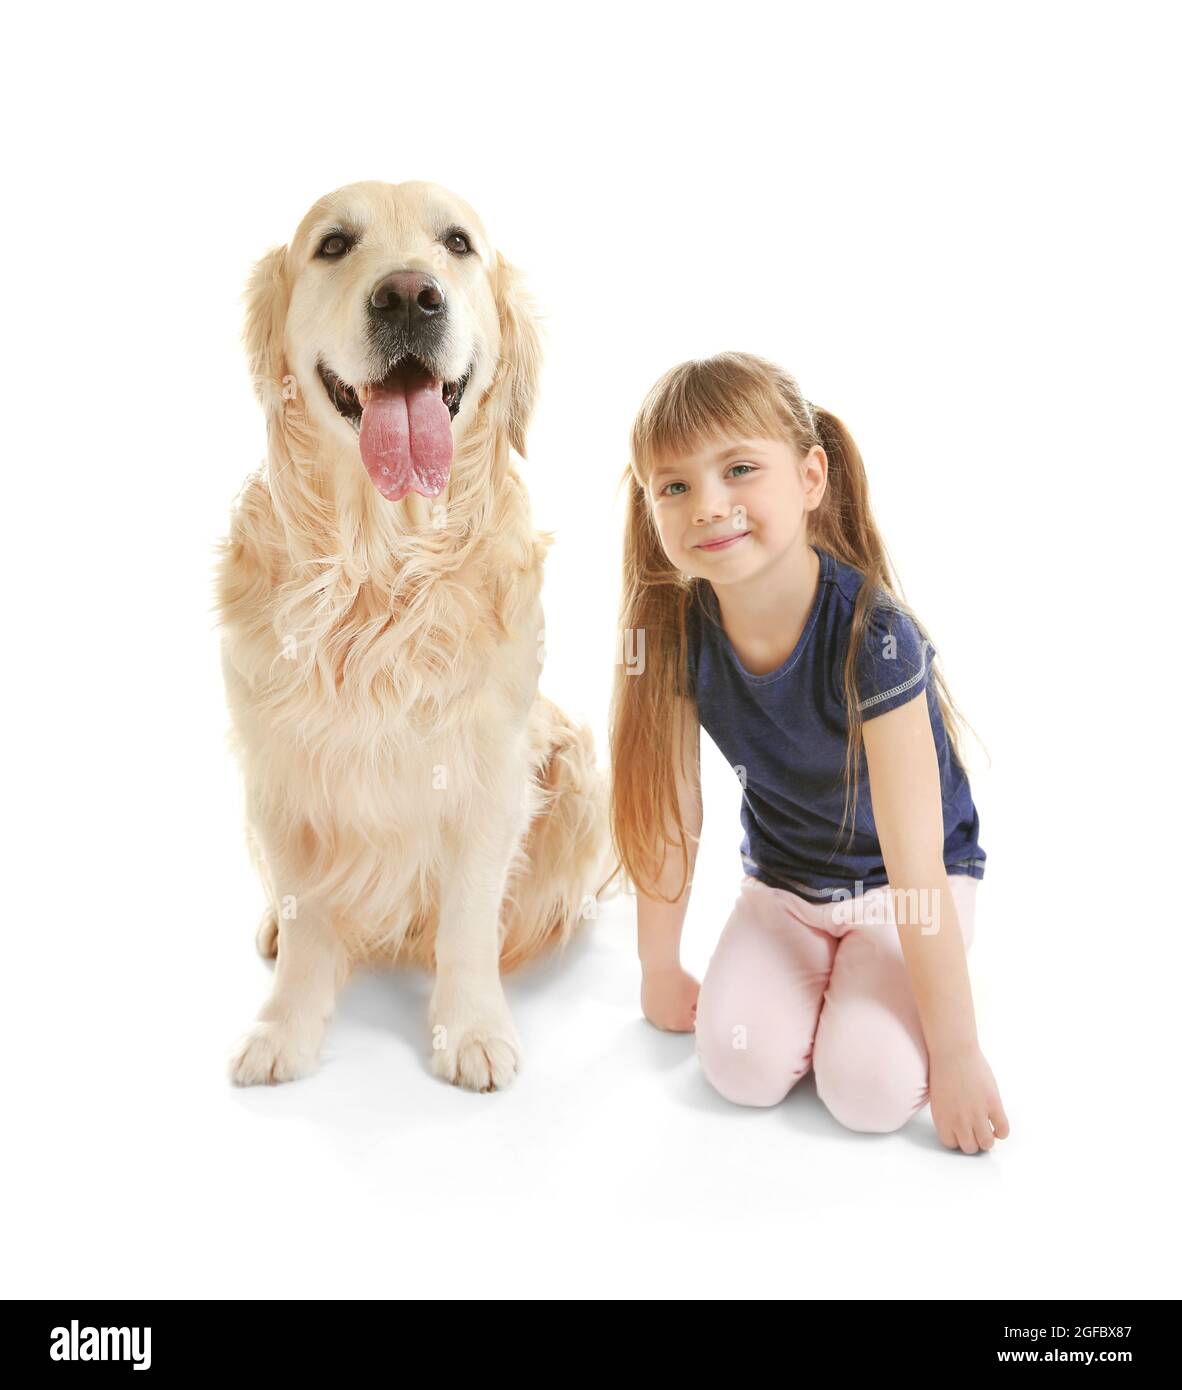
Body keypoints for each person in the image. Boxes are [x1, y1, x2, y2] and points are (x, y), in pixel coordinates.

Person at [607, 352, 1009, 1154]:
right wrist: (659, 966)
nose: (708, 506)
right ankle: (826, 984)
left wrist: (958, 1055)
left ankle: (859, 997)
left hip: (904, 891)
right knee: (737, 1066)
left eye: (740, 469)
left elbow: (918, 864)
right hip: (785, 888)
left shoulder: (874, 637)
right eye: (674, 486)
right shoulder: (675, 636)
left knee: (870, 1090)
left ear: (811, 476)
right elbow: (669, 810)